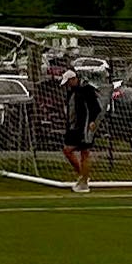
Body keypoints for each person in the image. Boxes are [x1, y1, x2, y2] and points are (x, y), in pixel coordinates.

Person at [59, 63, 99, 191]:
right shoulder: (72, 92)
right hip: (74, 126)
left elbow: (95, 107)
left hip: (85, 126)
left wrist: (92, 121)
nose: (67, 85)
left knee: (84, 153)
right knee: (68, 150)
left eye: (69, 82)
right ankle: (83, 176)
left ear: (74, 79)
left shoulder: (86, 90)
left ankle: (84, 182)